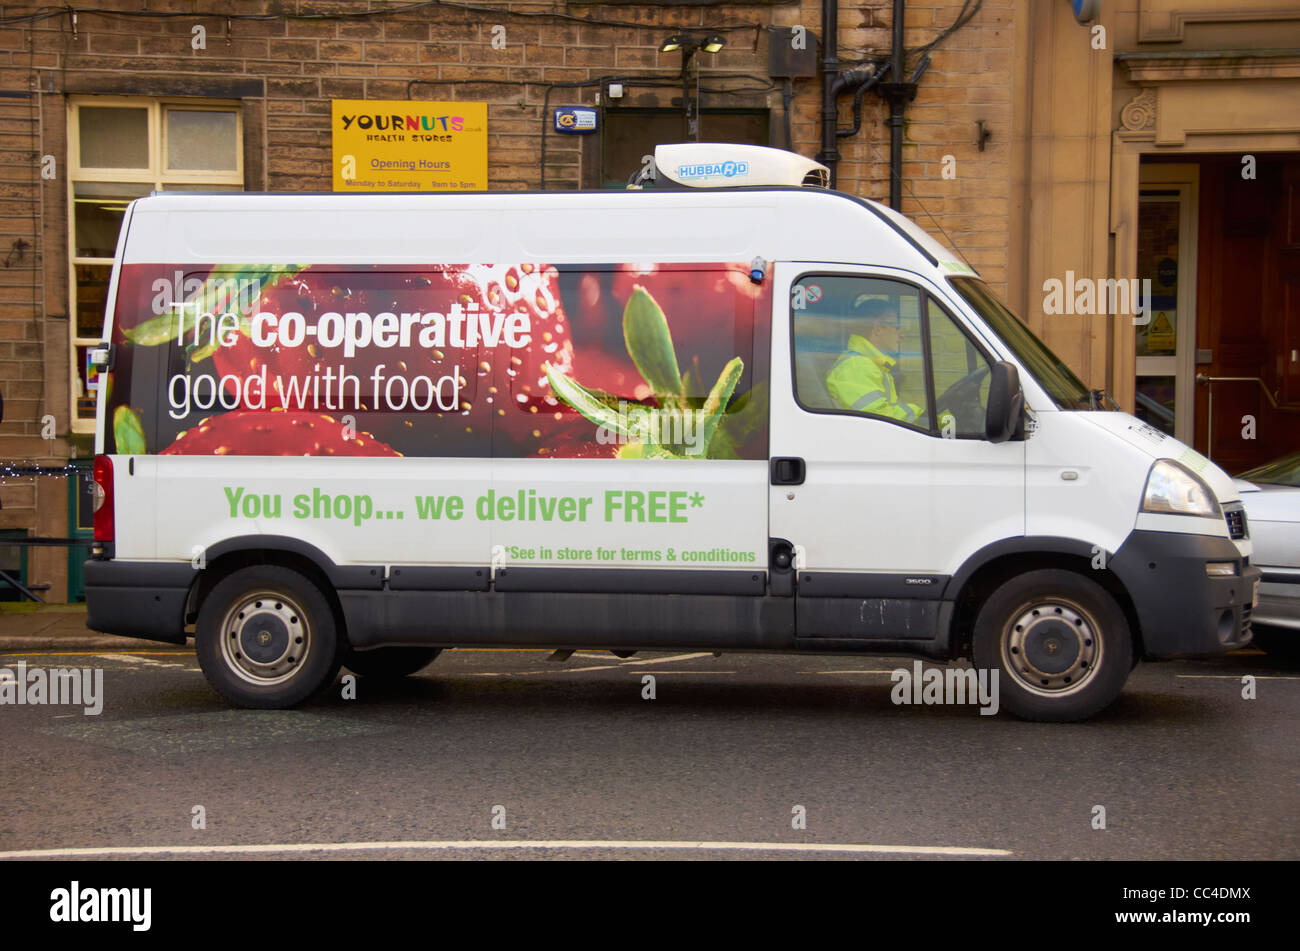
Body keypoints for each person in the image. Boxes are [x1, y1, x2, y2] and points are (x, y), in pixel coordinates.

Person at [825, 297, 924, 423]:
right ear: (877, 329)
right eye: (896, 327)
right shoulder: (856, 366)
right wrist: (925, 417)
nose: (901, 335)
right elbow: (879, 418)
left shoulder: (869, 364)